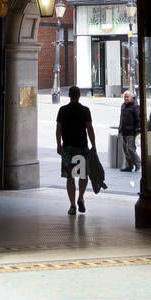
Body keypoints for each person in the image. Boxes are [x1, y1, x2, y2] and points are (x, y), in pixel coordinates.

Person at [56, 84, 96, 215]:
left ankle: (72, 205)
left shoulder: (62, 110)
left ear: (69, 95)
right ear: (79, 95)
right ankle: (81, 197)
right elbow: (89, 129)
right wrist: (93, 145)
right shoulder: (85, 110)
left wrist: (59, 145)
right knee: (83, 175)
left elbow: (58, 130)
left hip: (68, 148)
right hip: (82, 148)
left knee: (70, 177)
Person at [118, 90, 141, 171]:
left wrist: (138, 130)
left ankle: (138, 164)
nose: (126, 98)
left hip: (131, 131)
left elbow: (138, 119)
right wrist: (120, 128)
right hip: (124, 131)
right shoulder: (123, 106)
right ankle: (129, 166)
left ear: (131, 97)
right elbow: (121, 118)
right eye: (125, 97)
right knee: (125, 149)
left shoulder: (135, 106)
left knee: (130, 149)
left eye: (127, 97)